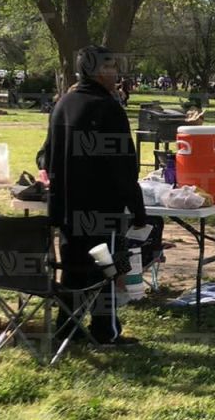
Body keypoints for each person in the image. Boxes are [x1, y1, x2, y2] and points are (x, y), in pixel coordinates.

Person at [43, 46, 147, 345]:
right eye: (113, 67)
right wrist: (137, 209)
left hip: (66, 209)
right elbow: (124, 166)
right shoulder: (108, 107)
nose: (117, 74)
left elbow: (47, 157)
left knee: (73, 273)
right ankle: (105, 332)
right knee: (107, 272)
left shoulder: (62, 104)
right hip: (103, 209)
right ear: (99, 71)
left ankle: (69, 330)